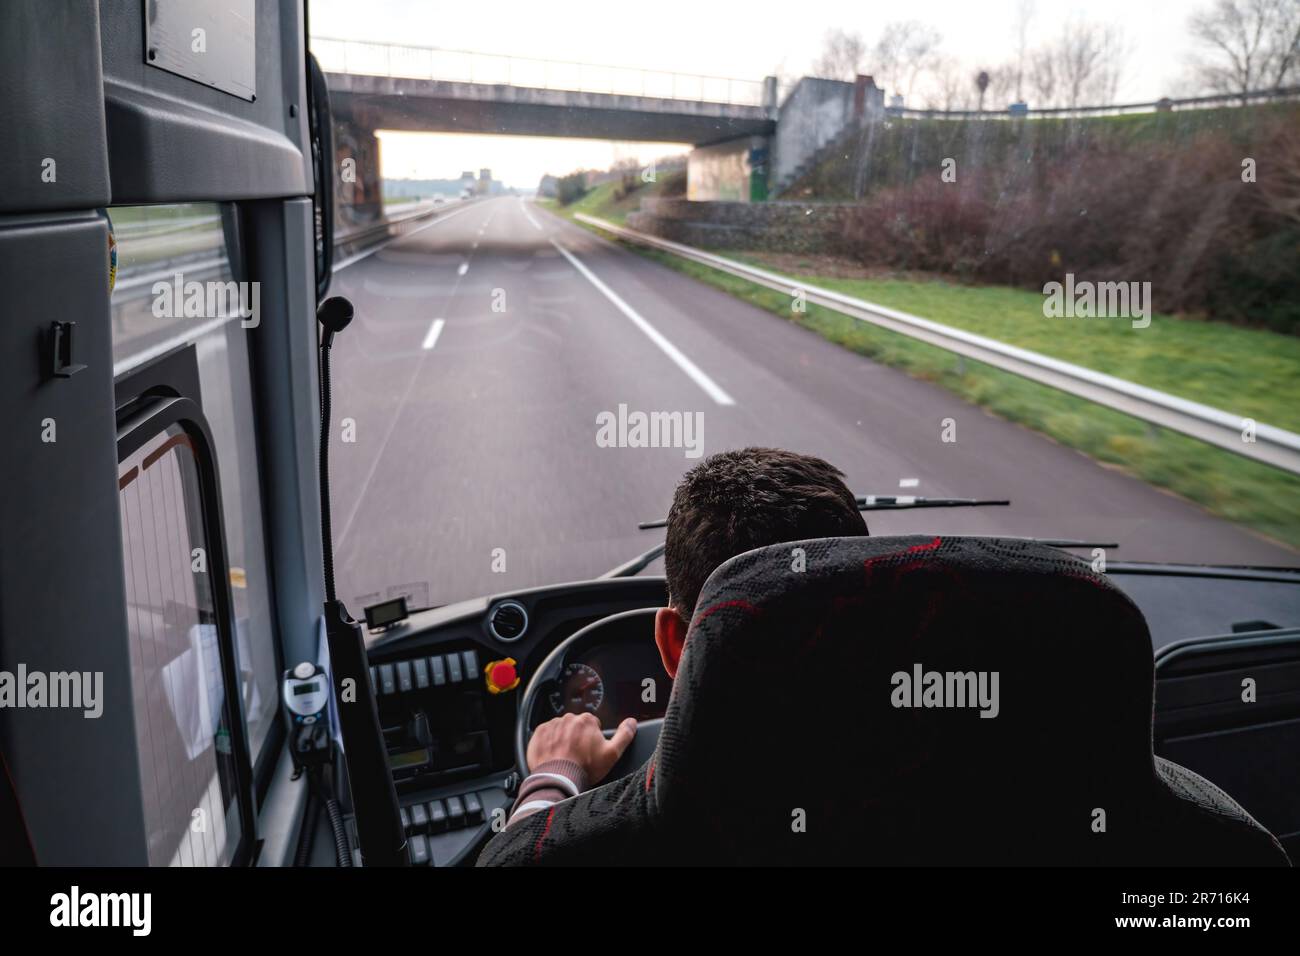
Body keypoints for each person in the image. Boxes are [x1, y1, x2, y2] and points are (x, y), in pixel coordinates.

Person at [478, 447, 868, 865]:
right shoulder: (933, 772)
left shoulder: (613, 839)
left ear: (672, 642)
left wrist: (554, 776)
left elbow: (515, 857)